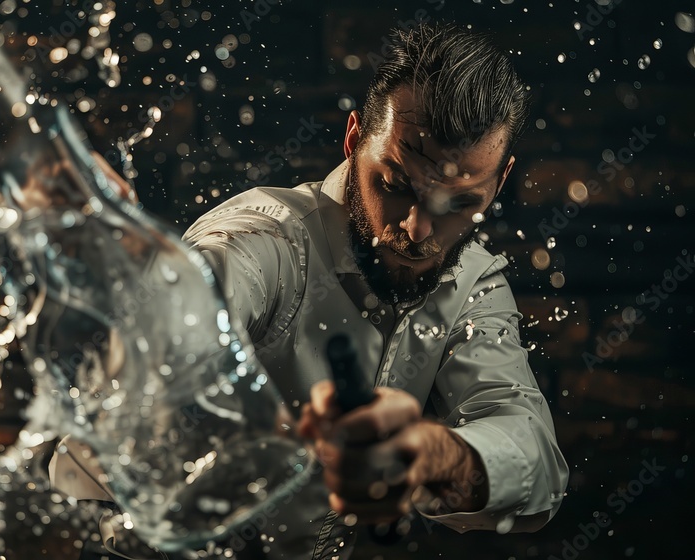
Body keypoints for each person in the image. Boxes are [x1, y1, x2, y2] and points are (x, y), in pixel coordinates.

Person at [176, 21, 569, 558]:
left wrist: (430, 458)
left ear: (499, 183)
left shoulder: (471, 278)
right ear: (355, 138)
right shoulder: (267, 237)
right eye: (395, 185)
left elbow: (537, 461)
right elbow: (202, 291)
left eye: (459, 204)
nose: (417, 233)